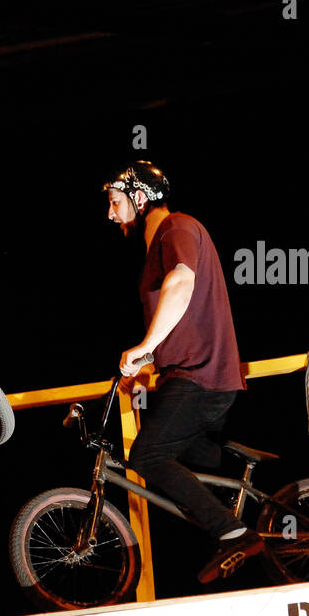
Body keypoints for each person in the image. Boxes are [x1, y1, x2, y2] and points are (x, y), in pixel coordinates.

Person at [104, 160, 262, 582]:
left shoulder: (176, 228)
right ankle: (233, 510)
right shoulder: (161, 241)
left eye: (116, 202)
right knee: (184, 460)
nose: (111, 214)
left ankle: (234, 533)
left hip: (200, 377)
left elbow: (182, 284)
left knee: (146, 456)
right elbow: (185, 318)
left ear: (140, 198)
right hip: (188, 374)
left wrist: (144, 346)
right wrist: (149, 360)